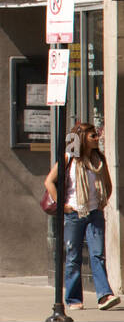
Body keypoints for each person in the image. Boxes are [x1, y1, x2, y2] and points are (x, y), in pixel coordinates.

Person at [44, 122, 120, 310]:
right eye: (92, 136)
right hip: (74, 213)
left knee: (98, 254)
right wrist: (63, 206)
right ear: (82, 139)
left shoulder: (98, 159)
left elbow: (108, 183)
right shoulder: (69, 158)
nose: (97, 138)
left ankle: (104, 295)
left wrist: (103, 200)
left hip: (94, 212)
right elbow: (49, 182)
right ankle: (73, 299)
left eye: (97, 135)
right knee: (73, 257)